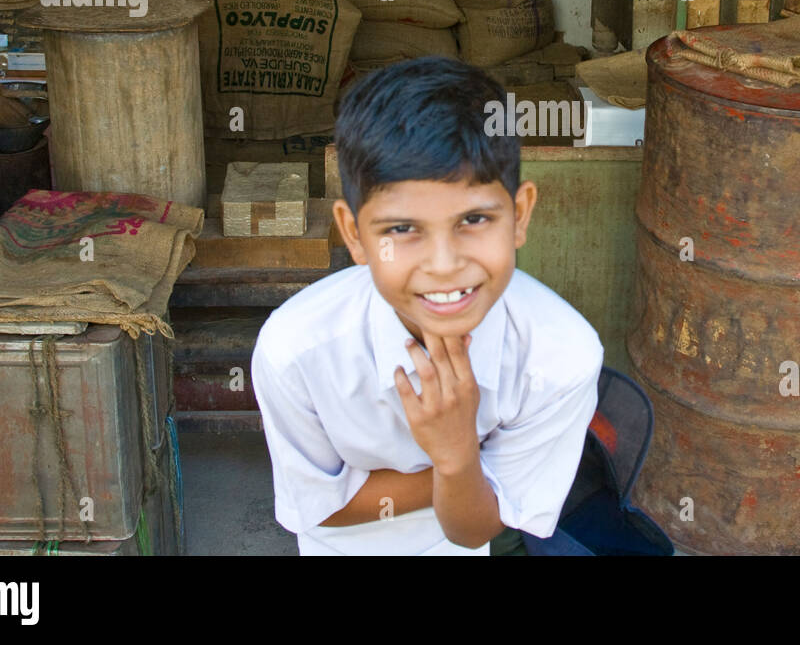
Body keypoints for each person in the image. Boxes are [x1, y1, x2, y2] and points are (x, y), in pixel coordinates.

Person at [251, 56, 604, 555]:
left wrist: (459, 456)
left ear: (520, 215)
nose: (443, 265)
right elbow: (319, 511)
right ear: (354, 234)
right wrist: (465, 469)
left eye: (476, 219)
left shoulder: (557, 356)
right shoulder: (297, 350)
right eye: (401, 229)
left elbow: (474, 529)